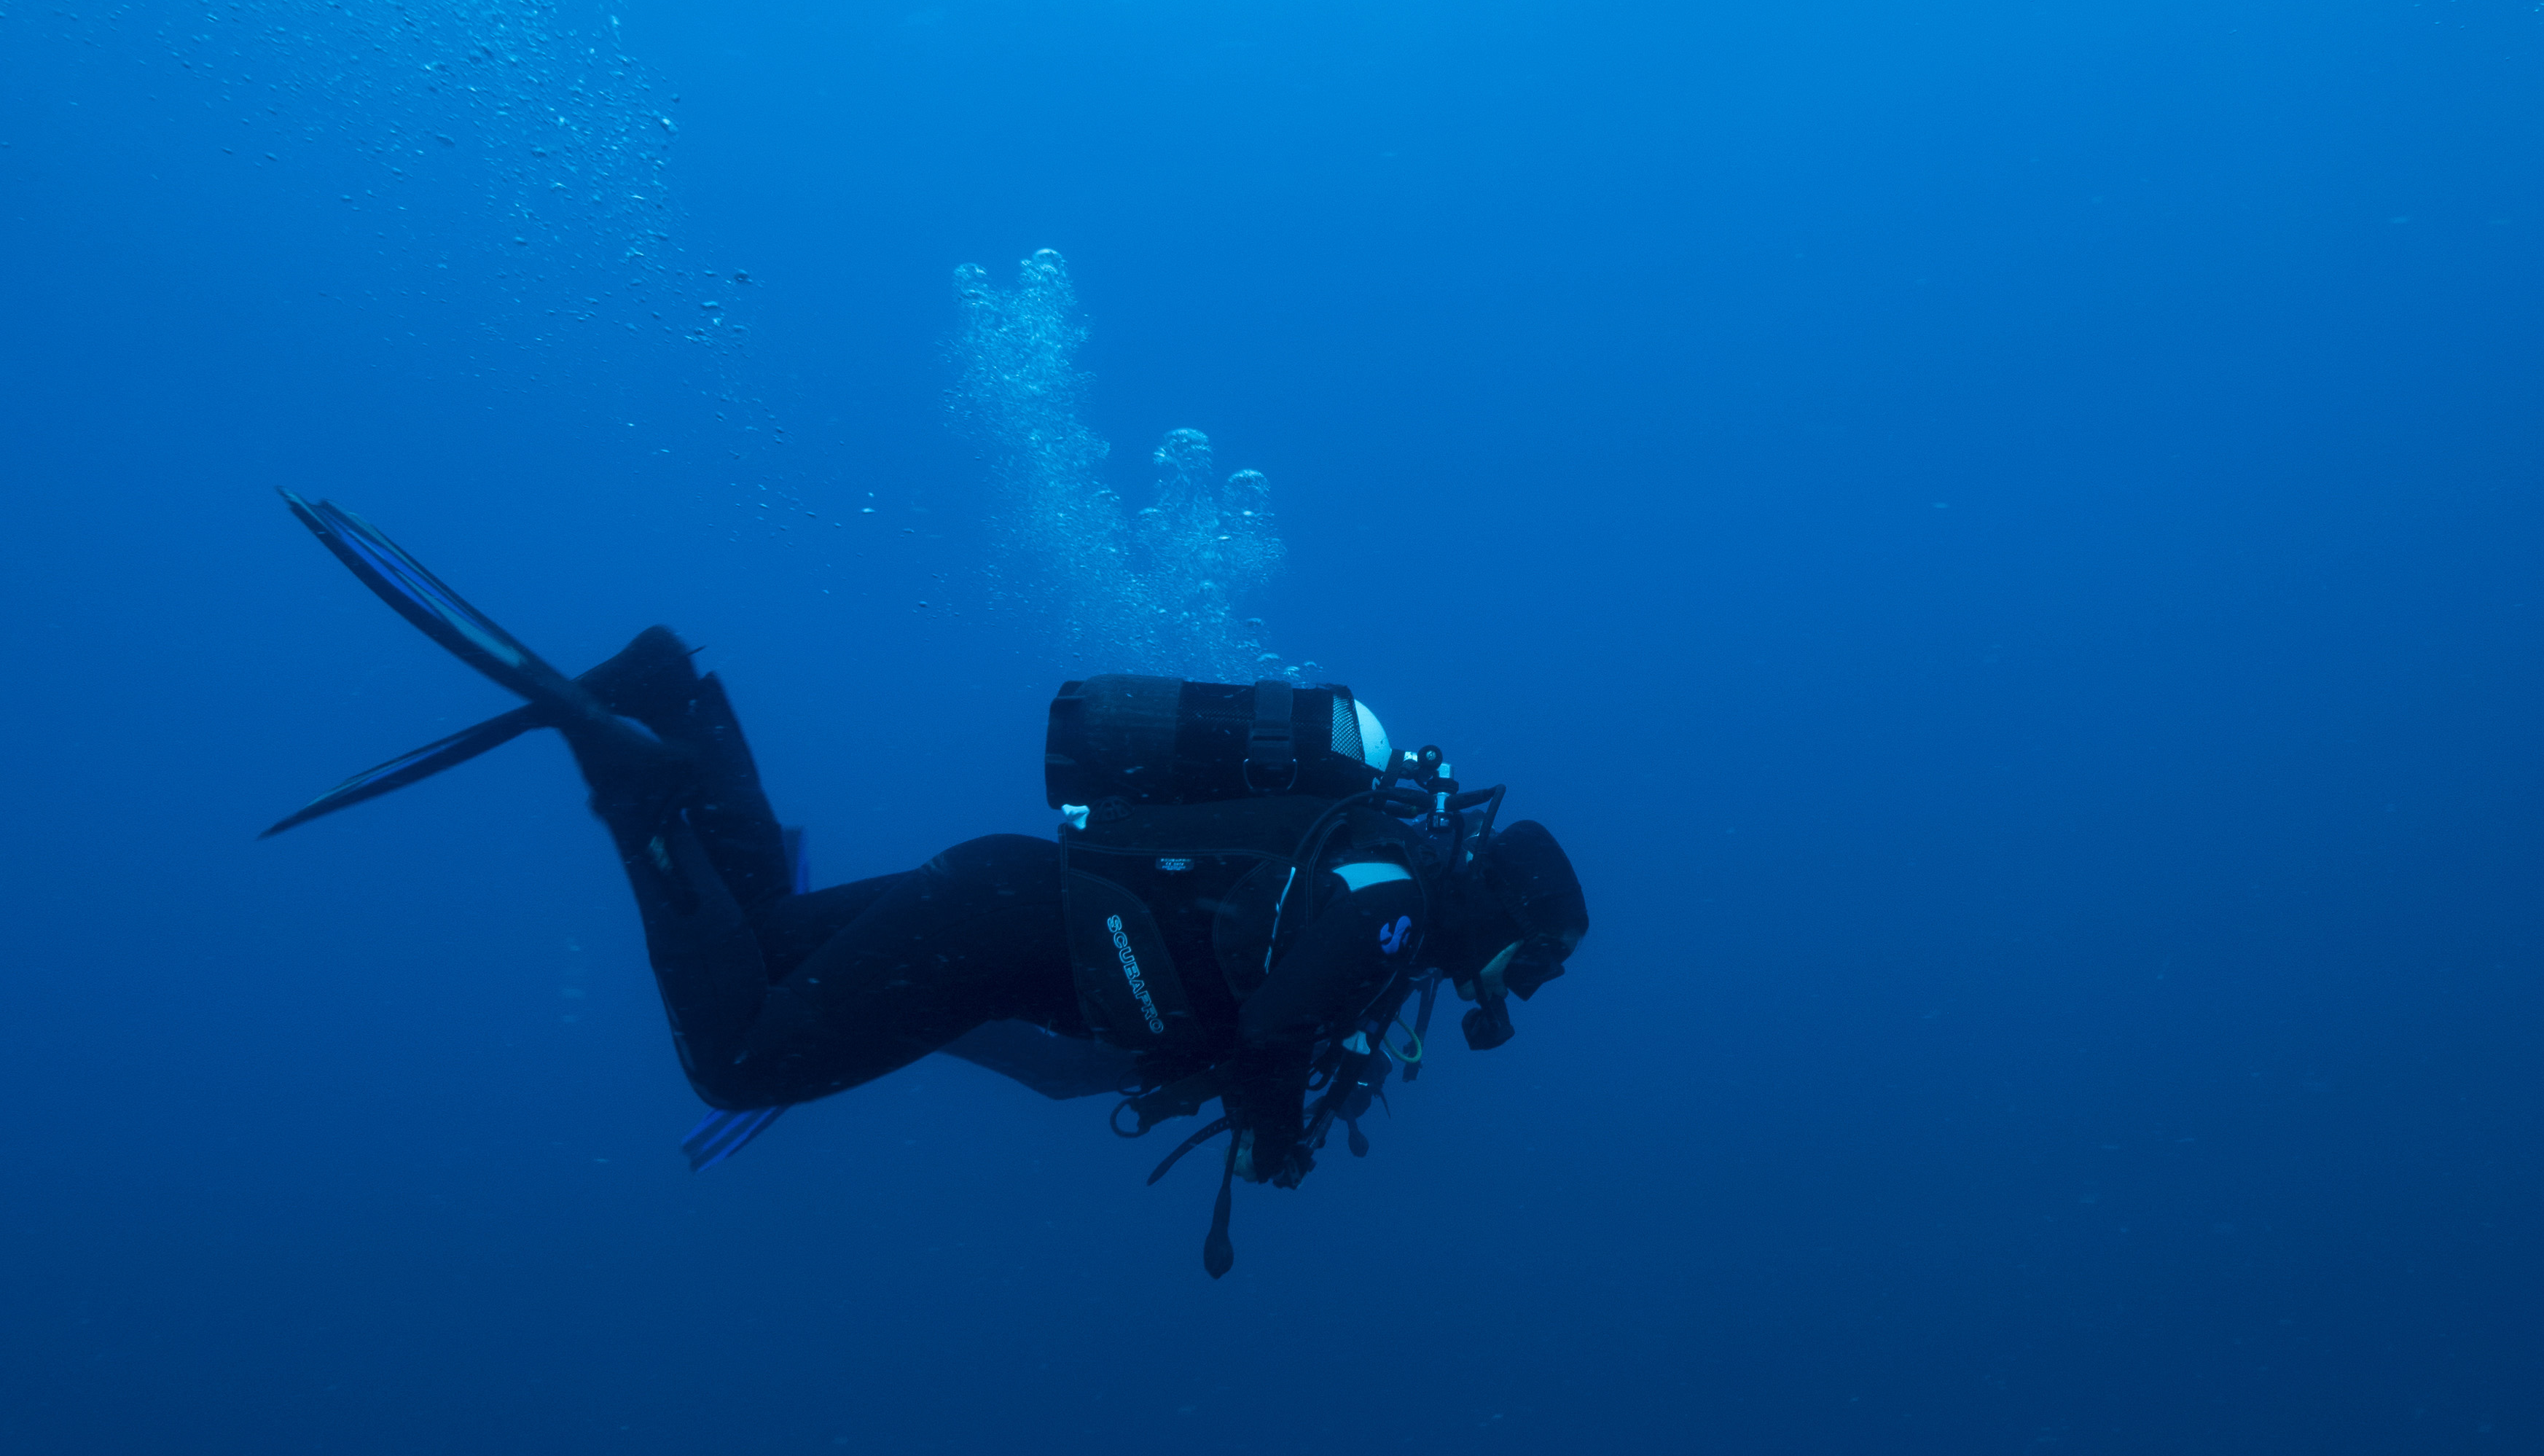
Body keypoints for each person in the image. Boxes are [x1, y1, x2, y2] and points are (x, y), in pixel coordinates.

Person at [262, 492, 1589, 1275]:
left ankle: (673, 702)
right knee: (737, 1057)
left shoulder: (1380, 876)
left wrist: (1258, 1092)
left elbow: (1199, 1024)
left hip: (1009, 906)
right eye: (1535, 961)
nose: (1518, 989)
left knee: (769, 941)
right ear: (1506, 912)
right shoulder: (1396, 893)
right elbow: (1283, 1019)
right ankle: (630, 766)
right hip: (1005, 930)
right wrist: (1281, 1127)